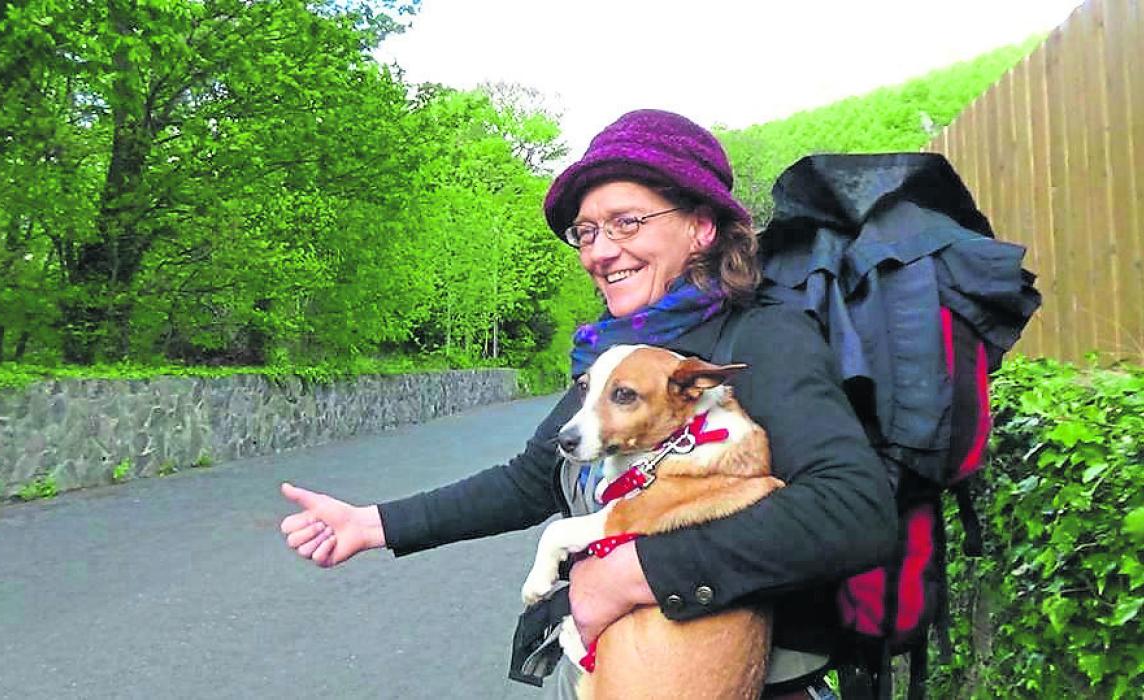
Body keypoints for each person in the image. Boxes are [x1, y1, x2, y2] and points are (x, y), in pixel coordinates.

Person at [279, 109, 898, 699]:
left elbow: (854, 510)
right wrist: (372, 524)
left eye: (627, 222)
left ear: (701, 226)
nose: (600, 251)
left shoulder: (762, 337)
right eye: (587, 231)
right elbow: (530, 480)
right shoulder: (617, 355)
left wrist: (635, 572)